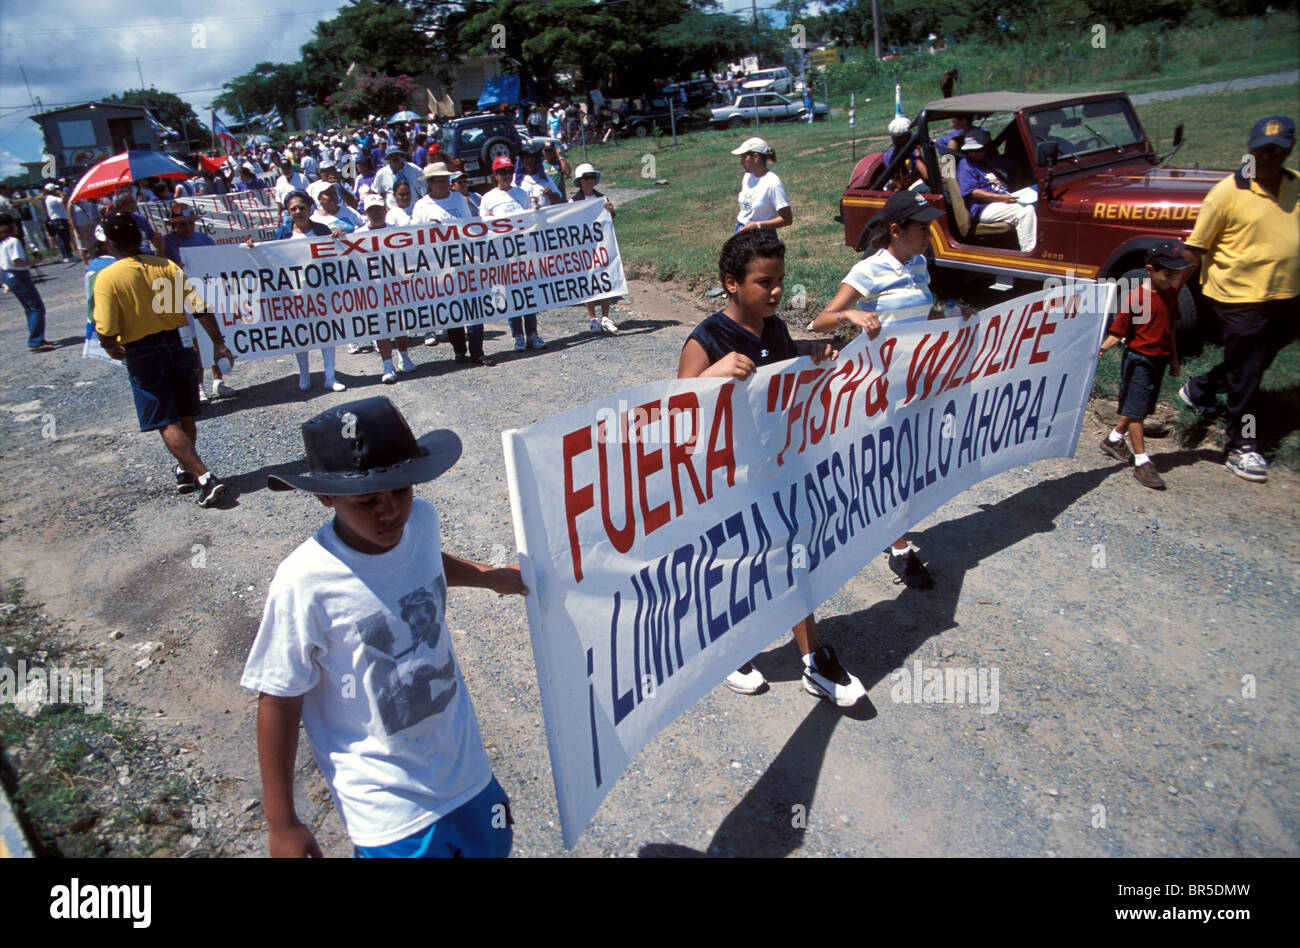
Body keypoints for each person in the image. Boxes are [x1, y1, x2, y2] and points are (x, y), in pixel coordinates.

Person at [241, 396, 528, 858]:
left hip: (466, 772)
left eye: (401, 490)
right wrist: (282, 823)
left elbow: (424, 564)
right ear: (325, 496)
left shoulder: (422, 522)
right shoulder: (305, 582)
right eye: (367, 501)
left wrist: (485, 576)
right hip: (389, 808)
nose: (390, 511)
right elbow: (278, 696)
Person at [677, 229, 867, 706]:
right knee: (736, 564)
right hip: (727, 479)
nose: (777, 290)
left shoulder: (777, 329)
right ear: (731, 283)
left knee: (792, 554)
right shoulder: (707, 338)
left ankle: (813, 659)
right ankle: (727, 646)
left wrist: (813, 355)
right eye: (765, 282)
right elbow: (674, 413)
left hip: (777, 468)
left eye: (780, 280)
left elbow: (779, 379)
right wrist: (710, 377)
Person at [811, 188, 970, 589]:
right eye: (922, 228)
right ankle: (898, 548)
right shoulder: (870, 269)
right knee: (892, 463)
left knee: (912, 457)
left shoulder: (919, 263)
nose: (928, 235)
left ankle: (870, 516)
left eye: (931, 227)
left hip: (916, 378)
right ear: (896, 230)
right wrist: (852, 313)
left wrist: (950, 313)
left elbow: (919, 310)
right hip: (877, 383)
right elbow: (821, 321)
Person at [1178, 115, 1299, 484]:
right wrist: (1169, 296)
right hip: (1239, 298)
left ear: (1288, 150)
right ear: (1250, 148)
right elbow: (1194, 250)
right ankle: (1242, 444)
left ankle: (1199, 389)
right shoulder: (1227, 192)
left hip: (1287, 294)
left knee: (1257, 360)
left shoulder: (1295, 184)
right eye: (1262, 149)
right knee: (1248, 371)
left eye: (1278, 150)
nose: (1269, 156)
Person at [92, 211, 235, 507]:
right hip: (176, 344)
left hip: (141, 351)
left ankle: (205, 477)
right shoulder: (165, 266)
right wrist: (219, 344)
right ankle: (185, 469)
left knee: (165, 420)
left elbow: (106, 328)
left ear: (111, 245)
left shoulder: (109, 277)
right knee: (185, 414)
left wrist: (109, 345)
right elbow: (199, 308)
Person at [1098, 243, 1193, 490]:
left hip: (1160, 359)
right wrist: (1100, 350)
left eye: (1176, 273)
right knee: (1137, 412)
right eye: (1168, 273)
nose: (1172, 278)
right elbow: (1118, 333)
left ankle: (1113, 439)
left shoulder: (1170, 294)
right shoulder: (1136, 298)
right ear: (1150, 270)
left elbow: (1171, 327)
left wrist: (1174, 357)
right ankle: (1142, 462)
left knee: (1140, 406)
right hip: (1139, 360)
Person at [258, 190, 345, 392]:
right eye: (293, 209)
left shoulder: (322, 229)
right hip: (292, 293)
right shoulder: (282, 233)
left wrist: (340, 238)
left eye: (301, 207)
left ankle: (330, 376)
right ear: (288, 212)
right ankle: (304, 375)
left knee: (326, 332)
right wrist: (254, 248)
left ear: (309, 208)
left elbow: (336, 257)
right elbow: (268, 256)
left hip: (321, 292)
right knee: (300, 334)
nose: (298, 212)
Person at [162, 203, 234, 402]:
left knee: (214, 337)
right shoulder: (167, 242)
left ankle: (218, 380)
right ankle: (198, 385)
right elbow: (160, 267)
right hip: (184, 298)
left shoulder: (204, 239)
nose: (186, 227)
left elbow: (218, 260)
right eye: (181, 224)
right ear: (174, 225)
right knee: (194, 344)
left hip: (207, 293)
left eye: (189, 223)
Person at [352, 194, 420, 383]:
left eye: (379, 209)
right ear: (365, 213)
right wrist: (339, 239)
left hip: (395, 285)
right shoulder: (357, 235)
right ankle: (387, 365)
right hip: (373, 288)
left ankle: (404, 357)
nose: (376, 213)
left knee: (399, 323)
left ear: (385, 210)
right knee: (381, 327)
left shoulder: (396, 232)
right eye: (371, 210)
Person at [481, 156, 544, 351]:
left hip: (522, 252)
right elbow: (482, 225)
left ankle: (532, 333)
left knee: (528, 292)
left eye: (509, 171)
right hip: (502, 254)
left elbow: (527, 219)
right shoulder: (488, 198)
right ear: (495, 175)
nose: (507, 176)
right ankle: (518, 335)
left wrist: (534, 212)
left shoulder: (521, 193)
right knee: (509, 294)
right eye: (502, 172)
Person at [956, 128, 1036, 251]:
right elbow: (973, 192)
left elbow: (1017, 167)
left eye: (978, 150)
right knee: (1025, 211)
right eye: (969, 151)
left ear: (987, 148)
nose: (973, 154)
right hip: (983, 207)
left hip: (1005, 199)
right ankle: (1029, 252)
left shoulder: (992, 160)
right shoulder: (965, 165)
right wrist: (1002, 198)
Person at [570, 163, 619, 335]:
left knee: (605, 278)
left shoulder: (602, 199)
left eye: (591, 177)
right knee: (588, 281)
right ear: (579, 181)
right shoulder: (573, 202)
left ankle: (606, 316)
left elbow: (610, 224)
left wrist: (611, 212)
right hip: (584, 248)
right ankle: (593, 319)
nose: (589, 181)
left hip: (601, 245)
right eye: (585, 178)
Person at [1, 215, 53, 351]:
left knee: (29, 308)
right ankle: (36, 341)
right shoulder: (13, 241)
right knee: (37, 308)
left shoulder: (2, 241)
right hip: (18, 275)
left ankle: (36, 338)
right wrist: (34, 262)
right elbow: (16, 261)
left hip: (8, 276)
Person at [731, 137, 792, 233]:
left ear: (755, 157)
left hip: (763, 236)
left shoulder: (773, 183)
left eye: (743, 157)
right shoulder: (747, 176)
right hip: (742, 229)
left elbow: (787, 219)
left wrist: (756, 225)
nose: (741, 162)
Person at [514, 141, 564, 207]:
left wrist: (550, 194)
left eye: (532, 158)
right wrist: (525, 200)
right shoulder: (515, 179)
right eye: (526, 158)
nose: (529, 161)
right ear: (522, 160)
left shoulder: (545, 177)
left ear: (536, 160)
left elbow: (558, 201)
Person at [43, 183, 74, 262]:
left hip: (58, 219)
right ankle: (67, 255)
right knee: (64, 238)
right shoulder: (52, 199)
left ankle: (66, 255)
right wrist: (60, 193)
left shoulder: (48, 198)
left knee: (62, 237)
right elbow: (64, 200)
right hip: (59, 219)